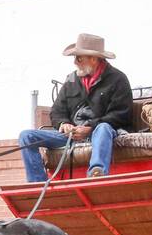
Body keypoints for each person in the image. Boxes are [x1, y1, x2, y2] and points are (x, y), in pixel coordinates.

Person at [18, 33, 133, 182]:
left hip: (99, 132)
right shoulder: (71, 79)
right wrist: (63, 124)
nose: (75, 62)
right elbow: (57, 111)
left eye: (79, 58)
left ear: (93, 59)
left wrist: (90, 127)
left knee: (103, 127)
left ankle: (96, 173)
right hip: (71, 135)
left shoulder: (118, 79)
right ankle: (37, 183)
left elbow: (121, 114)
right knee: (26, 136)